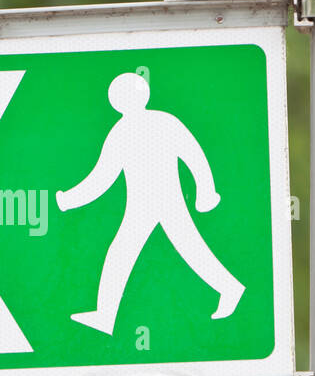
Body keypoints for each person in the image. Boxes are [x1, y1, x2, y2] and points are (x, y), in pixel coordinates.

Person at [57, 72, 244, 334]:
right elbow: (103, 176)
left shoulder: (138, 128)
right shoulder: (144, 126)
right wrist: (71, 199)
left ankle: (231, 288)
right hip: (144, 205)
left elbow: (192, 155)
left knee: (178, 249)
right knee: (130, 252)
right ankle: (105, 315)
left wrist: (67, 199)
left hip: (163, 202)